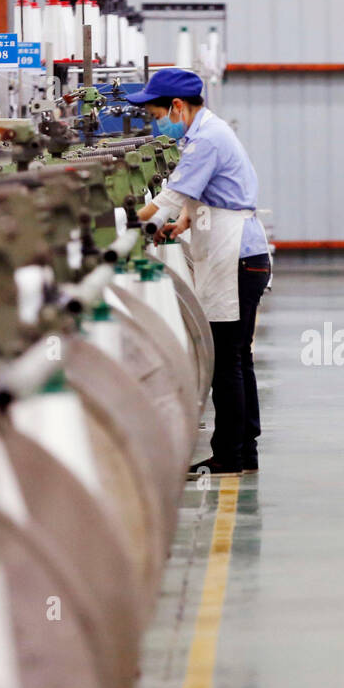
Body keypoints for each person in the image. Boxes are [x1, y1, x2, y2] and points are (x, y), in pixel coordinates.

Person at [129, 68, 271, 477]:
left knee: (225, 359)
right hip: (244, 252)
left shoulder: (205, 139)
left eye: (157, 115)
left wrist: (122, 225)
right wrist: (183, 223)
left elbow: (172, 195)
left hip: (237, 256)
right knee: (237, 357)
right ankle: (244, 451)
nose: (157, 124)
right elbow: (199, 196)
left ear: (177, 107)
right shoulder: (208, 132)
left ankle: (228, 455)